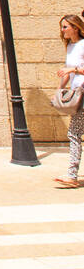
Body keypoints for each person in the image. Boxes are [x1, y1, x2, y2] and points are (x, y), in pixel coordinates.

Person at [55, 14, 84, 188]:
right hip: (77, 93)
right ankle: (72, 175)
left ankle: (72, 176)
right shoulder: (70, 46)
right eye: (62, 26)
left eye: (65, 26)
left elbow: (74, 70)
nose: (62, 30)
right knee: (75, 133)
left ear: (75, 27)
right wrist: (59, 90)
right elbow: (68, 73)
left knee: (74, 133)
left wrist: (72, 69)